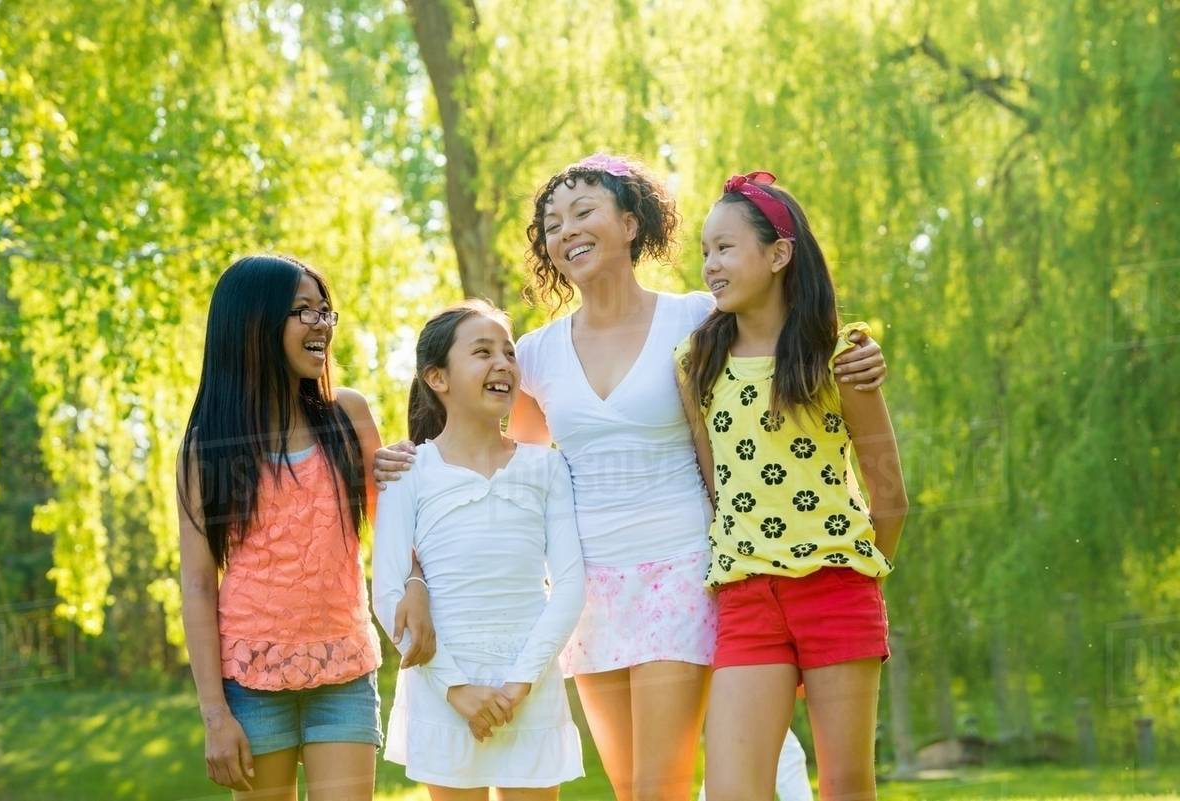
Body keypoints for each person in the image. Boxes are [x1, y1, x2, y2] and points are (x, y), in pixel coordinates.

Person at [375, 155, 887, 801]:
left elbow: (785, 334)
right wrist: (414, 555)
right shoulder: (534, 353)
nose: (566, 231)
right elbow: (495, 478)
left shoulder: (699, 320)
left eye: (582, 212)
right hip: (591, 587)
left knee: (661, 785)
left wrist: (855, 353)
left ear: (629, 221)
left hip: (684, 567)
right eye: (552, 224)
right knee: (627, 787)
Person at [677, 173, 908, 801]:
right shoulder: (696, 362)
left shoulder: (840, 356)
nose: (711, 265)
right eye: (705, 252)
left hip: (838, 590)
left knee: (846, 785)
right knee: (731, 790)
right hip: (747, 599)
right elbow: (715, 485)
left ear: (778, 254)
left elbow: (889, 491)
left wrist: (853, 575)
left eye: (725, 248)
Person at [177, 254, 433, 800]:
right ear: (253, 325)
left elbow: (394, 528)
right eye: (302, 312)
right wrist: (215, 715)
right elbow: (199, 583)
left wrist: (414, 580)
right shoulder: (207, 447)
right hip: (250, 684)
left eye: (325, 312)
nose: (321, 324)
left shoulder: (348, 415)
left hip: (344, 674)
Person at [373, 300, 587, 798]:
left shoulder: (546, 468)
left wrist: (519, 685)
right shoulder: (408, 473)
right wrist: (454, 687)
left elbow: (570, 587)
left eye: (509, 354)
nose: (503, 365)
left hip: (529, 687)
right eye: (482, 352)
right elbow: (387, 594)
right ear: (438, 378)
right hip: (443, 689)